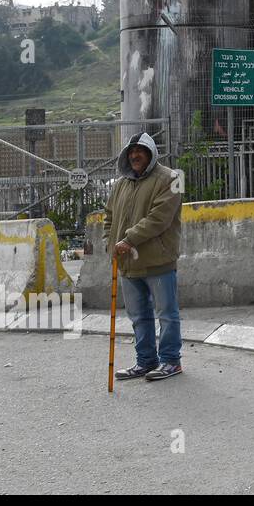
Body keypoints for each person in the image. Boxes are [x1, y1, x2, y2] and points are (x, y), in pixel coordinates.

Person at [102, 131, 185, 381]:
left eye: (140, 151)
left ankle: (171, 361)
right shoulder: (120, 185)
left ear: (151, 154)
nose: (135, 155)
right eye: (131, 151)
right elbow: (109, 218)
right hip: (127, 262)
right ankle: (146, 361)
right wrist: (110, 244)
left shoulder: (171, 178)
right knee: (138, 316)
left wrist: (128, 239)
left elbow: (159, 219)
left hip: (158, 260)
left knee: (166, 314)